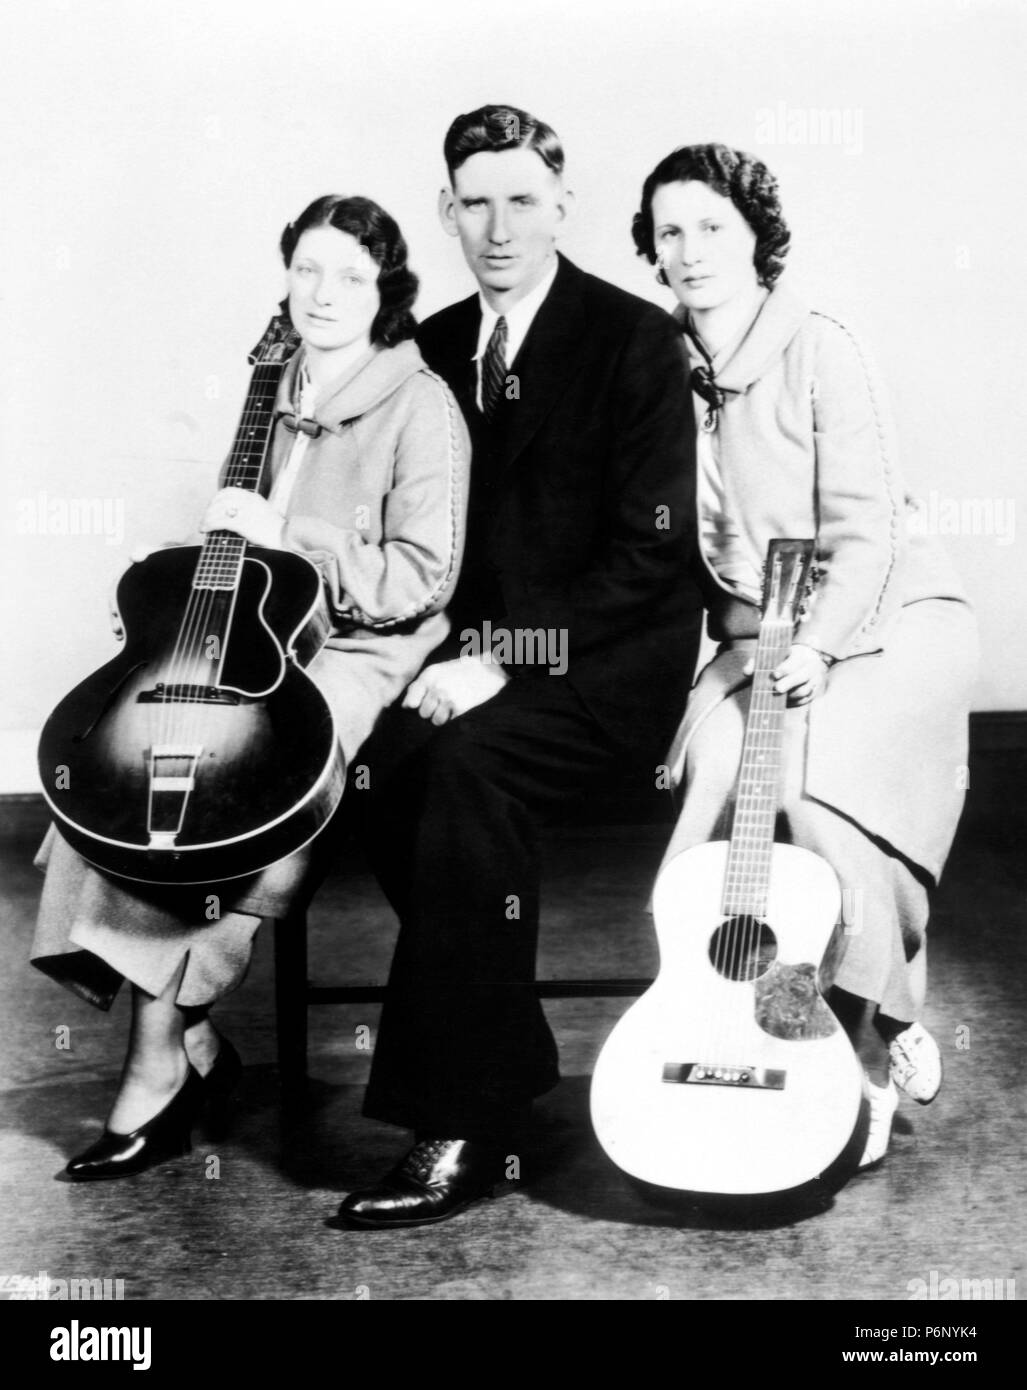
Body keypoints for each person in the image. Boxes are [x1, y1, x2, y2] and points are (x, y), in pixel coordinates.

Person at [31, 194, 469, 1179]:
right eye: (307, 269)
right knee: (128, 766)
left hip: (358, 650)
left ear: (386, 292)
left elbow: (419, 578)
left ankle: (162, 1062)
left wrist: (300, 539)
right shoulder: (272, 388)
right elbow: (246, 557)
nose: (324, 292)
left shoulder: (420, 403)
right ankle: (184, 1045)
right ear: (286, 276)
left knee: (239, 797)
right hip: (258, 630)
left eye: (351, 275)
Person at [331, 105, 704, 1229]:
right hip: (463, 664)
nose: (499, 227)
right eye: (475, 203)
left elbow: (648, 558)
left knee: (462, 776)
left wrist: (501, 656)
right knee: (369, 765)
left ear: (564, 205)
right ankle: (507, 1061)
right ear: (446, 210)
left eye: (523, 202)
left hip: (605, 672)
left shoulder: (636, 339)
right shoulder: (429, 349)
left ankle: (461, 1116)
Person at [632, 143, 978, 1166]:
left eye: (711, 227)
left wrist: (823, 648)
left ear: (755, 237)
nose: (690, 251)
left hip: (888, 615)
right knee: (721, 776)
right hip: (762, 627)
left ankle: (872, 1034)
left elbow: (867, 530)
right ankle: (733, 1023)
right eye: (670, 231)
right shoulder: (655, 362)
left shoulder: (819, 345)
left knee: (820, 786)